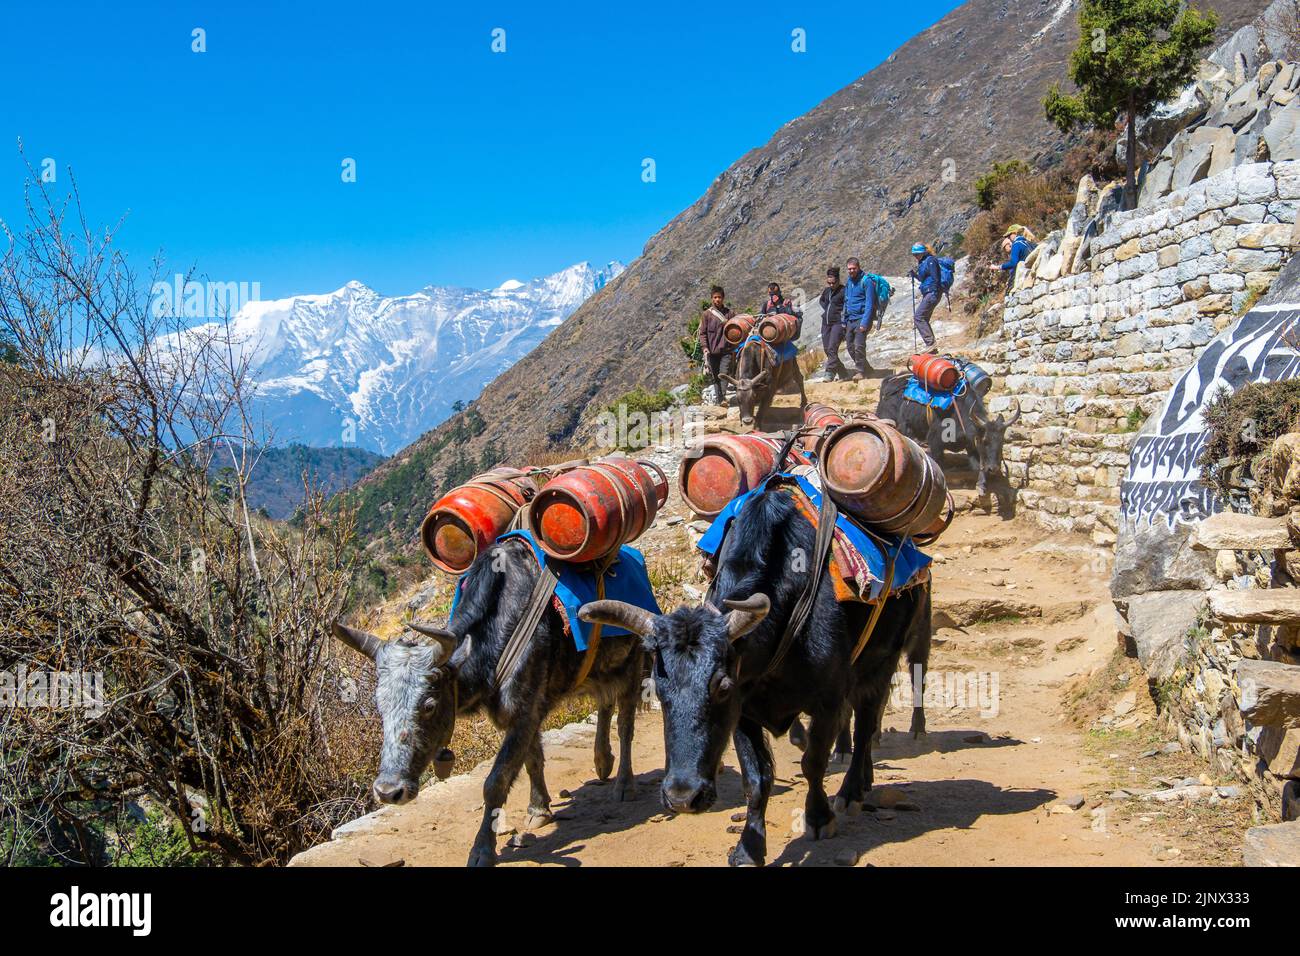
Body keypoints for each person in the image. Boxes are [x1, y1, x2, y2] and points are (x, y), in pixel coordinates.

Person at [697, 285, 736, 404]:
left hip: (726, 351)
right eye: (715, 297)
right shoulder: (706, 315)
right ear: (711, 299)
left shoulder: (730, 314)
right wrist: (705, 348)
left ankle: (723, 397)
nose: (717, 300)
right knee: (715, 377)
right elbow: (703, 333)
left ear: (723, 298)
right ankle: (720, 401)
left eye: (719, 297)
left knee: (723, 374)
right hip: (712, 352)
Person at [841, 257, 877, 380]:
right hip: (850, 319)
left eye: (853, 268)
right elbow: (846, 301)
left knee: (859, 346)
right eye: (849, 269)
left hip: (862, 318)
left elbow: (870, 303)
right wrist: (844, 320)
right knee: (850, 347)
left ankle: (861, 372)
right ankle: (868, 369)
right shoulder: (849, 282)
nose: (851, 271)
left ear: (858, 267)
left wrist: (865, 322)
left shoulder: (866, 281)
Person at [814, 266, 848, 383]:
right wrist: (827, 308)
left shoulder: (844, 291)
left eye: (833, 283)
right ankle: (843, 372)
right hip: (826, 322)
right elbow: (822, 300)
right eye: (829, 283)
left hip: (838, 323)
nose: (831, 285)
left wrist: (840, 314)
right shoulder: (827, 291)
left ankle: (829, 373)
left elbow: (847, 306)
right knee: (827, 349)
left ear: (838, 280)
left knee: (832, 348)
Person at [909, 243, 941, 354]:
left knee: (918, 317)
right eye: (914, 254)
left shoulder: (931, 260)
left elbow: (936, 277)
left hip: (932, 293)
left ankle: (931, 344)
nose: (916, 256)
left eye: (917, 254)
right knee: (924, 318)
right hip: (928, 292)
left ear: (923, 252)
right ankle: (932, 348)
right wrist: (914, 275)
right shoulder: (922, 262)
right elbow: (923, 279)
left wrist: (934, 291)